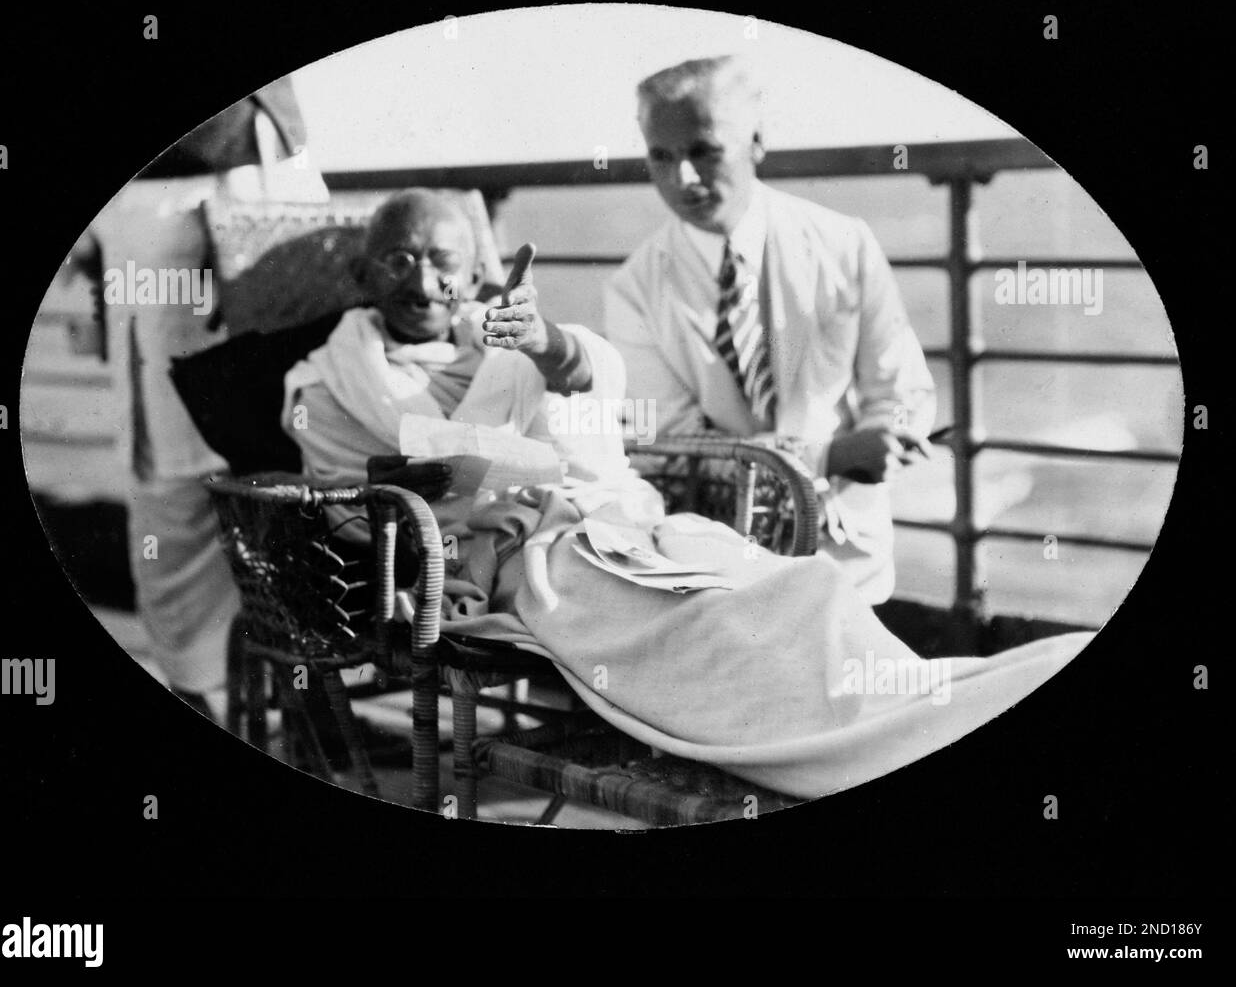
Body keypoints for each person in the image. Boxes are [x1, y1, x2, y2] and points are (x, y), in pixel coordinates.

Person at [281, 189, 1092, 801]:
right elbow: (356, 495)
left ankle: (938, 706)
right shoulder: (329, 380)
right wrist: (488, 489)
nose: (423, 279)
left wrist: (540, 344)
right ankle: (901, 740)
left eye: (442, 262)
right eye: (399, 259)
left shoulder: (502, 343)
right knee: (713, 621)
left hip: (615, 521)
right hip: (520, 567)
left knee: (800, 588)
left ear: (472, 277)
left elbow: (579, 388)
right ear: (363, 274)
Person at [605, 56, 935, 604]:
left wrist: (889, 437)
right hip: (721, 562)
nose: (681, 178)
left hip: (846, 554)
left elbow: (902, 390)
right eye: (661, 157)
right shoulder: (634, 288)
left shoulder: (844, 243)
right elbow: (671, 450)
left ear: (757, 141)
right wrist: (829, 455)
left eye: (704, 152)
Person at [83, 76, 328, 722]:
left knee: (273, 509)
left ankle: (304, 706)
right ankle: (201, 696)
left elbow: (306, 252)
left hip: (256, 179)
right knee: (170, 503)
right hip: (151, 243)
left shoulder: (272, 128)